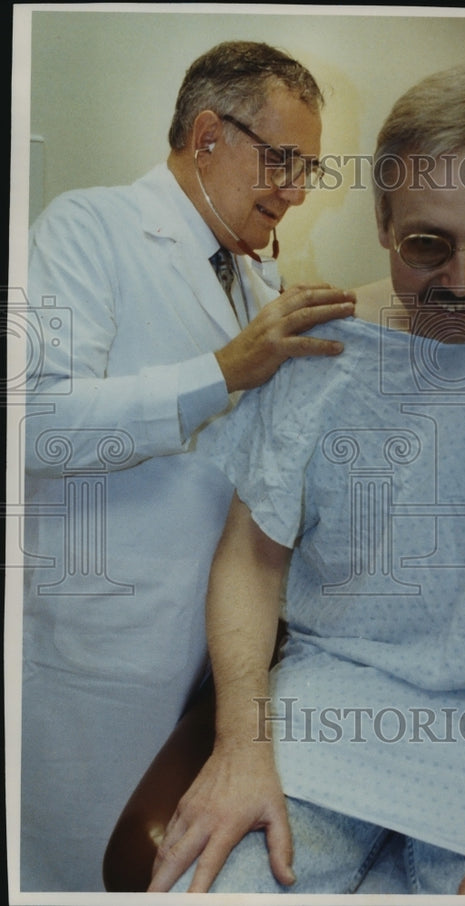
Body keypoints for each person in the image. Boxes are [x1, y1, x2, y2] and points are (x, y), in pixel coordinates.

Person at [147, 64, 465, 896]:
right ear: (381, 219)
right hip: (327, 717)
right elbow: (251, 558)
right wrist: (240, 747)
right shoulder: (321, 349)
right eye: (426, 244)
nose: (458, 283)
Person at [21, 40, 356, 892]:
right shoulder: (86, 227)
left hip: (212, 654)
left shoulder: (251, 278)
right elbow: (32, 423)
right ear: (207, 134)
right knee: (80, 871)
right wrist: (222, 372)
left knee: (172, 873)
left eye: (309, 170)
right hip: (105, 658)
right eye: (283, 161)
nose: (295, 191)